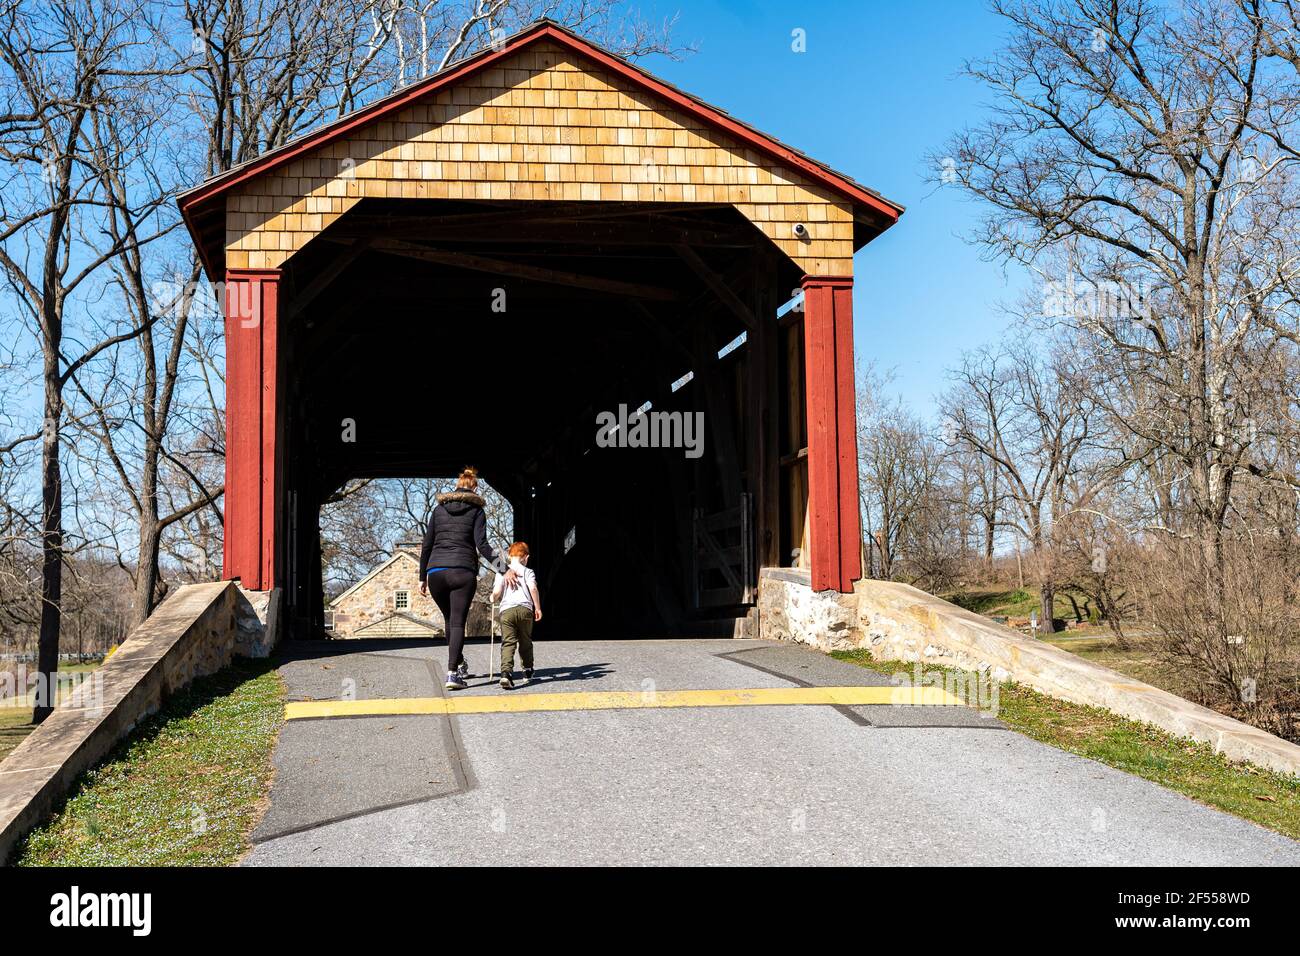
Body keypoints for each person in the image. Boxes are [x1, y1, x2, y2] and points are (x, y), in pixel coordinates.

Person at [418, 467, 514, 690]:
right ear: (475, 488)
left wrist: (422, 576)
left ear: (456, 486)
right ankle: (452, 674)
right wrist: (504, 569)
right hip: (462, 570)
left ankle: (459, 664)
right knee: (458, 621)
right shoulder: (477, 511)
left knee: (450, 620)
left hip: (436, 573)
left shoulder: (438, 510)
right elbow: (482, 546)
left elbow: (427, 544)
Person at [492, 541, 541, 689]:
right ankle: (527, 670)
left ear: (509, 556)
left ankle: (506, 674)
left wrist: (492, 598)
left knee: (508, 642)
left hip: (507, 611)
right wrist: (537, 608)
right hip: (525, 610)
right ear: (526, 557)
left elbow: (497, 593)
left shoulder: (501, 571)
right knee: (525, 640)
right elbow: (533, 588)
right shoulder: (528, 572)